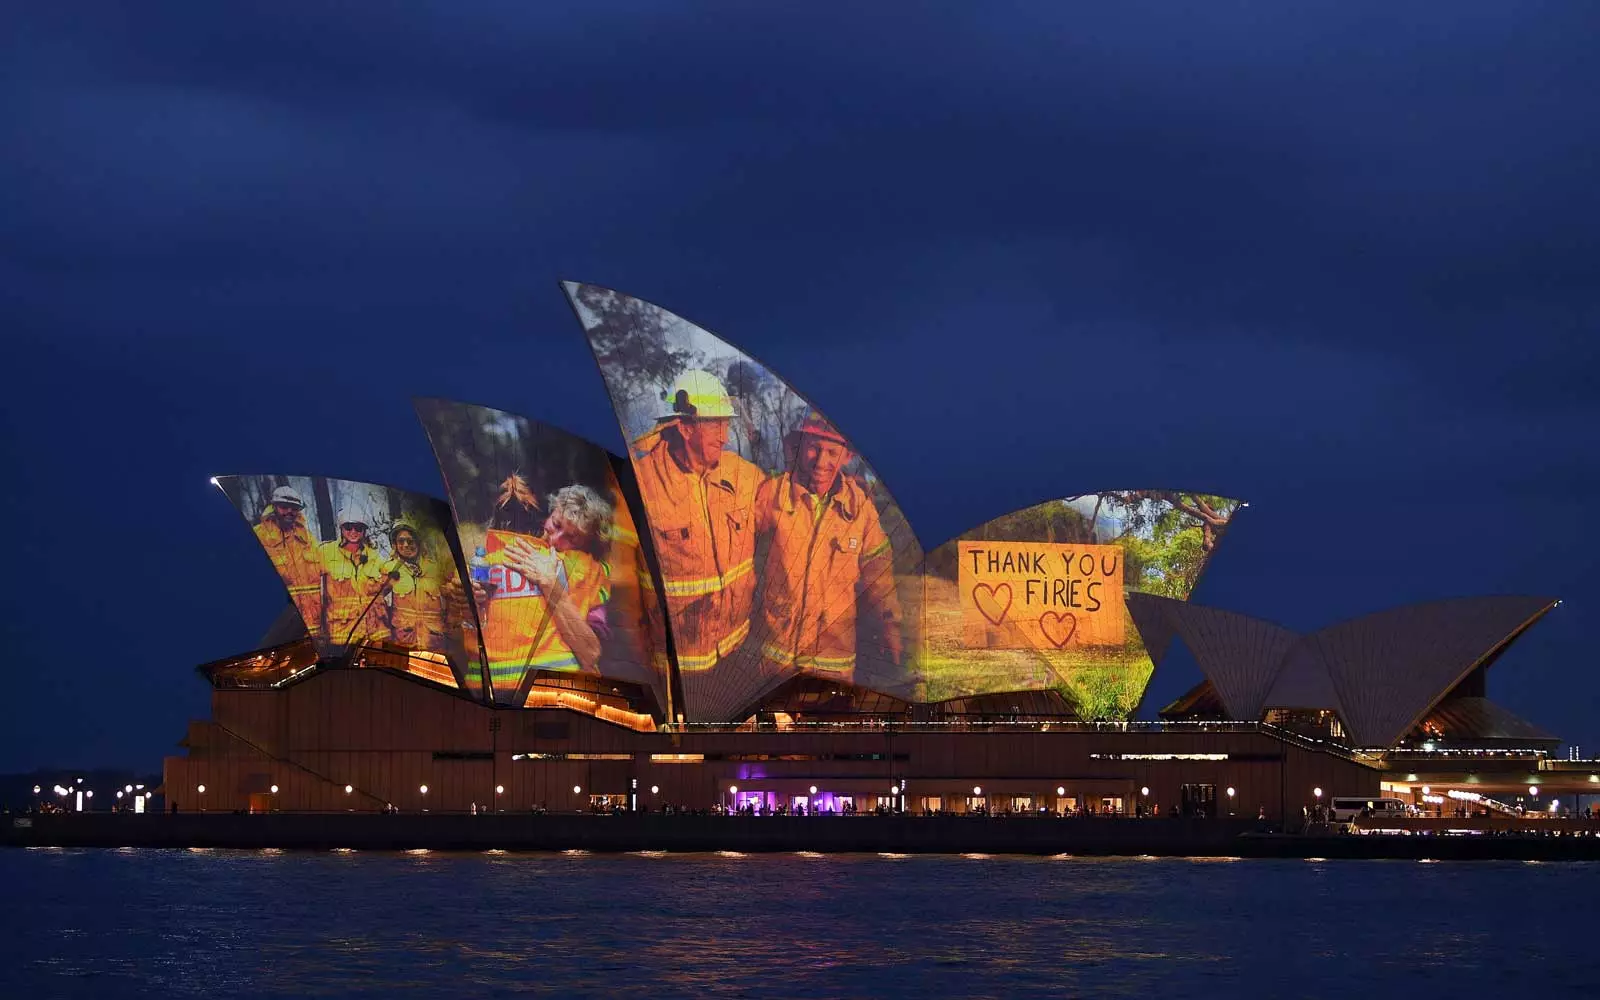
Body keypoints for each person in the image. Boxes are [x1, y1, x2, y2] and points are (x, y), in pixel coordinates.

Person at [749, 410, 902, 685]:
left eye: (832, 452)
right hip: (776, 663)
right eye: (814, 449)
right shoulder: (773, 493)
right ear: (801, 446)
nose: (821, 461)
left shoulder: (861, 511)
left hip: (833, 665)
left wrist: (888, 625)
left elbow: (879, 576)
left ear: (847, 457)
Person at [629, 370, 761, 682]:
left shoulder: (742, 474)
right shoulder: (641, 482)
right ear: (686, 427)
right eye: (716, 424)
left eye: (726, 424)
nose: (725, 436)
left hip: (734, 652)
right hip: (675, 667)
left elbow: (784, 502)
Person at [474, 480, 613, 697]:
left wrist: (549, 582)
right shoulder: (493, 549)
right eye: (556, 525)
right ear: (549, 514)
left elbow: (591, 652)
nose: (555, 540)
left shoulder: (589, 573)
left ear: (586, 546)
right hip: (491, 691)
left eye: (571, 538)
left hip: (558, 696)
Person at [380, 519, 460, 653]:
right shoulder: (389, 569)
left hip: (434, 645)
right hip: (402, 644)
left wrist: (451, 628)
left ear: (418, 542)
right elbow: (374, 602)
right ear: (395, 544)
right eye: (401, 541)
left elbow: (454, 600)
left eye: (410, 541)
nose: (406, 545)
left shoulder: (436, 569)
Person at [252, 486, 323, 636]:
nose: (289, 512)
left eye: (294, 508)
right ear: (274, 507)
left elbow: (326, 567)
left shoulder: (307, 537)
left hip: (310, 624)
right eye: (284, 507)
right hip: (277, 621)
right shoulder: (259, 535)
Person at [317, 507, 388, 645]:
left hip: (373, 634)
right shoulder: (325, 552)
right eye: (349, 527)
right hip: (340, 633)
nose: (353, 532)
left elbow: (389, 586)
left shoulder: (374, 556)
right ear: (341, 529)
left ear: (364, 531)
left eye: (358, 528)